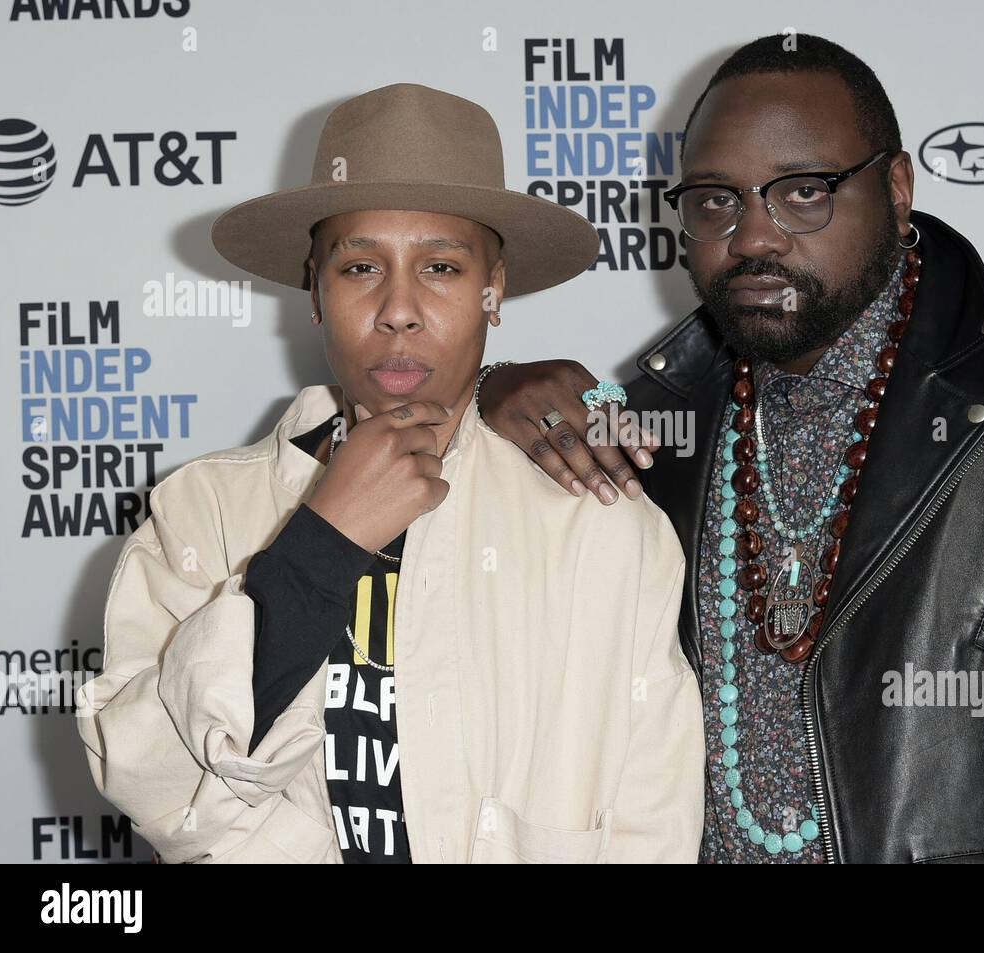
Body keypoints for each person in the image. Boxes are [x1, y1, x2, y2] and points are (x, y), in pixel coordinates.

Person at [477, 35, 984, 862]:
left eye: (803, 191)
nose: (753, 236)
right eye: (716, 200)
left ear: (897, 189)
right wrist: (485, 388)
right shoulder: (656, 431)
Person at [75, 83, 703, 864]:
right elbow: (153, 780)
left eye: (440, 266)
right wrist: (319, 547)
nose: (398, 308)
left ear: (494, 288)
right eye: (361, 266)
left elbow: (654, 825)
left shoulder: (598, 516)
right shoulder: (204, 511)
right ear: (314, 288)